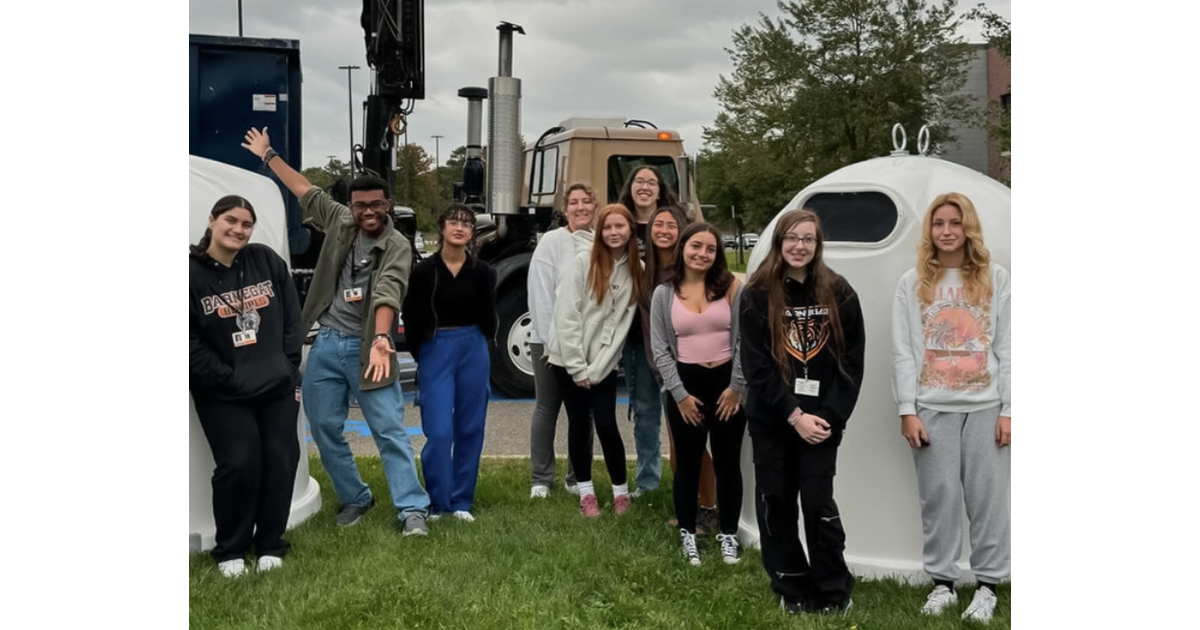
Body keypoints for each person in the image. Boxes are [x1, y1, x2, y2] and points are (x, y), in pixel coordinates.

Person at [241, 127, 432, 536]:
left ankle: (412, 509)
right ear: (351, 205)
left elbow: (387, 292)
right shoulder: (341, 220)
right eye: (361, 205)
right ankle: (356, 497)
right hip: (327, 343)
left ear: (388, 205)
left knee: (389, 431)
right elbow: (304, 189)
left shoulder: (396, 245)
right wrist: (268, 154)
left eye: (376, 205)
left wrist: (382, 340)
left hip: (369, 349)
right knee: (324, 427)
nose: (368, 212)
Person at [891, 192, 1011, 623]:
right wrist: (908, 408)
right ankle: (942, 583)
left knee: (987, 499)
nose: (946, 231)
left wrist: (1010, 410)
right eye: (938, 223)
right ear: (930, 231)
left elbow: (1010, 345)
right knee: (938, 498)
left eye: (954, 223)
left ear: (968, 229)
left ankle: (987, 585)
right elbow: (903, 351)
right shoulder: (913, 283)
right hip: (931, 406)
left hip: (986, 406)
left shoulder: (994, 278)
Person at [740, 209, 865, 615]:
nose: (799, 246)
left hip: (821, 424)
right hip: (773, 421)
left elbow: (851, 362)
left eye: (808, 239)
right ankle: (791, 586)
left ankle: (832, 589)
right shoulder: (757, 293)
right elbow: (757, 367)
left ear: (818, 244)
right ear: (779, 242)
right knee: (776, 501)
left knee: (817, 504)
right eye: (791, 238)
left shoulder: (839, 292)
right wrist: (794, 416)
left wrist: (828, 417)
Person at [189, 195, 303, 577]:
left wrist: (288, 365)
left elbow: (291, 316)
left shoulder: (265, 260)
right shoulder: (188, 273)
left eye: (246, 224)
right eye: (231, 220)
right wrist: (224, 377)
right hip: (221, 391)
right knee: (239, 464)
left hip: (276, 386)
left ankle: (271, 542)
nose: (238, 229)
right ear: (212, 220)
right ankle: (231, 548)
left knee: (281, 459)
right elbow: (187, 340)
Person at [649, 223, 747, 566]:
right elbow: (661, 349)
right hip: (685, 386)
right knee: (688, 464)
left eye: (710, 248)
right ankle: (688, 533)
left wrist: (736, 388)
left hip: (726, 386)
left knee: (727, 463)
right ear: (683, 248)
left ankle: (729, 534)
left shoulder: (732, 287)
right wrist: (679, 395)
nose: (702, 254)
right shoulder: (664, 294)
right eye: (696, 246)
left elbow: (744, 342)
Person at [402, 205, 497, 522]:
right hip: (435, 347)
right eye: (454, 222)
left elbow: (489, 315)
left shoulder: (484, 272)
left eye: (467, 223)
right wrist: (424, 354)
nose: (460, 227)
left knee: (471, 427)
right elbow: (412, 316)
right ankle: (438, 501)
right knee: (440, 430)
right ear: (442, 227)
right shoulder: (423, 272)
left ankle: (460, 502)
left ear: (473, 232)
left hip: (473, 346)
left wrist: (483, 342)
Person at [547, 204, 642, 517]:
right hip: (568, 360)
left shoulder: (635, 269)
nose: (613, 233)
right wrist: (577, 367)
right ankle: (586, 494)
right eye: (607, 228)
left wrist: (598, 370)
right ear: (599, 232)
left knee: (606, 424)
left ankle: (620, 494)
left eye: (620, 227)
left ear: (630, 230)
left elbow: (622, 325)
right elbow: (567, 315)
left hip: (604, 364)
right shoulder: (583, 262)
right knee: (578, 423)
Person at [639, 205, 719, 532]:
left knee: (699, 445)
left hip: (695, 370)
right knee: (679, 445)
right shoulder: (645, 273)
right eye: (658, 225)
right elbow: (652, 331)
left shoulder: (694, 272)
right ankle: (691, 506)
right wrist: (663, 373)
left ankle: (709, 507)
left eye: (672, 226)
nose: (664, 231)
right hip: (663, 370)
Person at [527, 182, 597, 498]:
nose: (580, 207)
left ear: (595, 207)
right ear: (564, 209)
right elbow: (540, 294)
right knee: (547, 408)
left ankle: (576, 477)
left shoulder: (600, 244)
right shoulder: (552, 243)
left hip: (586, 344)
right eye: (574, 202)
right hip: (549, 343)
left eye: (586, 202)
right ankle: (541, 478)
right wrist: (546, 341)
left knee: (583, 412)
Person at [614, 165, 681, 497]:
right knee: (645, 412)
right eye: (639, 181)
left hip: (677, 339)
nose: (644, 187)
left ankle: (690, 482)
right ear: (630, 187)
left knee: (682, 413)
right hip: (637, 337)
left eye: (651, 182)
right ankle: (648, 483)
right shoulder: (620, 225)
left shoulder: (675, 222)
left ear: (660, 189)